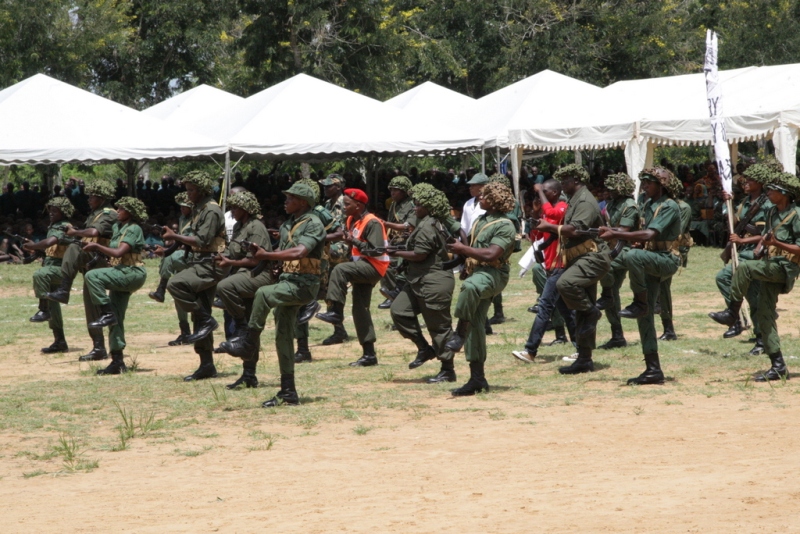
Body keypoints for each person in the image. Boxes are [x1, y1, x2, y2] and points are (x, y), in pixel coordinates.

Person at [220, 183, 325, 407]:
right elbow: (286, 252)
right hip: (288, 282)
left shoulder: (313, 223)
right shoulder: (289, 224)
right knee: (283, 337)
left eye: (290, 198)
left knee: (263, 293)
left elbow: (300, 252)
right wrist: (268, 255)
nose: (285, 201)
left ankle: (248, 342)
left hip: (305, 284)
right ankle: (288, 392)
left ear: (304, 202)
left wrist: (268, 254)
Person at [709, 172, 800, 382]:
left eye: (772, 190)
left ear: (785, 193)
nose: (768, 193)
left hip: (785, 267)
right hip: (770, 265)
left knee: (745, 267)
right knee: (765, 314)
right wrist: (746, 242)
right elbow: (767, 236)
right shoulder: (771, 213)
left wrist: (776, 244)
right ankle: (778, 366)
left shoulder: (796, 214)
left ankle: (732, 312)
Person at [599, 167, 682, 385]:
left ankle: (640, 301)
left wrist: (616, 234)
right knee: (645, 319)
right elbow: (643, 235)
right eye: (643, 181)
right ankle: (653, 369)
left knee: (632, 256)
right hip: (651, 256)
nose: (644, 185)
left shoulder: (669, 206)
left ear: (662, 185)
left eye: (649, 182)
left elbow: (650, 234)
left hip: (667, 258)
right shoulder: (646, 204)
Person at [533, 164, 611, 375]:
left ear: (576, 180)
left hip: (592, 256)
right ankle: (585, 358)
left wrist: (548, 226)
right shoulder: (574, 200)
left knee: (565, 284)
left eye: (565, 181)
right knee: (580, 314)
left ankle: (592, 312)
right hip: (579, 257)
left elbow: (575, 229)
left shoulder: (585, 200)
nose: (562, 184)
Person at [445, 182, 516, 395]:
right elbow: (473, 251)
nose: (480, 198)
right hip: (478, 272)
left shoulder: (505, 225)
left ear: (494, 201)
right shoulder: (481, 220)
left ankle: (459, 332)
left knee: (469, 287)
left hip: (494, 274)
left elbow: (491, 254)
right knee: (477, 325)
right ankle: (477, 379)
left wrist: (463, 248)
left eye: (484, 196)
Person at [163, 171, 229, 381]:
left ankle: (207, 320)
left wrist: (174, 235)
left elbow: (202, 239)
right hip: (200, 262)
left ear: (202, 191)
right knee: (199, 315)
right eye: (187, 189)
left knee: (175, 284)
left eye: (191, 190)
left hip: (210, 263)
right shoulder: (199, 210)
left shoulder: (210, 210)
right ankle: (206, 364)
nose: (188, 194)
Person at [390, 183, 459, 383]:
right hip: (418, 280)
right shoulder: (424, 222)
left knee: (439, 328)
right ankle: (424, 349)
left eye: (418, 204)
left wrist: (395, 253)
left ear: (429, 206)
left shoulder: (429, 224)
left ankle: (447, 369)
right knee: (399, 311)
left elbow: (420, 254)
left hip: (433, 282)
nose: (414, 207)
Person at [45, 179, 118, 362]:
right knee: (90, 305)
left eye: (92, 196)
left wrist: (75, 233)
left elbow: (94, 233)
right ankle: (98, 348)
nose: (88, 199)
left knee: (75, 247)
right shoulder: (95, 213)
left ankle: (64, 288)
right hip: (91, 261)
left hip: (103, 260)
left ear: (101, 198)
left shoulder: (109, 213)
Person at [316, 188, 389, 366]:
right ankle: (369, 354)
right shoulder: (351, 220)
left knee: (340, 270)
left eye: (347, 204)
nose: (343, 207)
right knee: (360, 309)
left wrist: (353, 241)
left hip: (374, 266)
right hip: (361, 265)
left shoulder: (373, 222)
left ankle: (335, 312)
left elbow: (378, 250)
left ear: (359, 205)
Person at [712, 162, 777, 355]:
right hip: (742, 252)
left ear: (761, 182)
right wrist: (727, 204)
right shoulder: (745, 202)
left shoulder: (767, 204)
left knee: (729, 280)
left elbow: (768, 233)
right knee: (752, 295)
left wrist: (741, 239)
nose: (745, 182)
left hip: (756, 253)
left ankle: (747, 327)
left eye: (750, 180)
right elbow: (735, 222)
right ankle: (742, 322)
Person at [511, 179, 576, 363]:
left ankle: (530, 350)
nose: (542, 194)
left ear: (554, 192)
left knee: (545, 307)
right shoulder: (548, 212)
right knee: (566, 311)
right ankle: (581, 348)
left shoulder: (562, 207)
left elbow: (552, 213)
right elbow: (536, 235)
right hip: (550, 265)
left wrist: (539, 191)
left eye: (545, 191)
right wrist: (534, 212)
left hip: (560, 266)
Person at [214, 191, 274, 388]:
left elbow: (257, 259)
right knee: (251, 329)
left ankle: (240, 325)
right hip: (246, 274)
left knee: (225, 286)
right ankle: (249, 375)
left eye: (235, 208)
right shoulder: (240, 226)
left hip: (260, 274)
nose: (231, 211)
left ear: (246, 210)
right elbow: (232, 251)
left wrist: (230, 261)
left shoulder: (256, 227)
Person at [81, 197, 148, 375]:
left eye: (121, 209)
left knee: (92, 276)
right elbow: (114, 254)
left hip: (132, 273)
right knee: (117, 318)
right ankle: (117, 361)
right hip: (121, 270)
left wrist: (96, 246)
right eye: (117, 208)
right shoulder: (118, 227)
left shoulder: (134, 228)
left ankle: (106, 313)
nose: (117, 211)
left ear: (131, 212)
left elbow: (119, 251)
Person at [293, 178, 337, 363]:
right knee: (299, 305)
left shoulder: (320, 212)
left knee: (309, 300)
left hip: (317, 261)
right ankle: (302, 349)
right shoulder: (296, 213)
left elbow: (340, 233)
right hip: (299, 261)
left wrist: (316, 237)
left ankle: (337, 329)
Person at [596, 173, 640, 349]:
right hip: (614, 247)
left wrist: (606, 230)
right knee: (612, 292)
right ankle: (617, 335)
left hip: (627, 248)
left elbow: (624, 230)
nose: (609, 192)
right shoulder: (612, 203)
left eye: (612, 189)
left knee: (601, 264)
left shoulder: (629, 206)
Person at [25, 198, 75, 353]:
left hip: (61, 269)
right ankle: (59, 341)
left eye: (55, 211)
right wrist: (35, 252)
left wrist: (33, 245)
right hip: (52, 266)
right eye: (50, 210)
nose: (51, 214)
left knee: (40, 274)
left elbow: (50, 242)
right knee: (54, 304)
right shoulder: (54, 225)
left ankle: (43, 309)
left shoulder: (64, 226)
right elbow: (50, 249)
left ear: (63, 212)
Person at [148, 192, 194, 345]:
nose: (182, 208)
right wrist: (167, 249)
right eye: (180, 205)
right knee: (176, 291)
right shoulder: (182, 219)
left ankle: (161, 289)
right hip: (183, 255)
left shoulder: (197, 219)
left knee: (170, 258)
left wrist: (172, 244)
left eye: (185, 206)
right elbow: (177, 241)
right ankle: (185, 332)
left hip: (195, 256)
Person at [655, 174, 693, 342]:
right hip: (655, 250)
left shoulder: (682, 207)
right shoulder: (658, 205)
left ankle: (668, 329)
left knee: (663, 289)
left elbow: (677, 231)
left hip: (671, 251)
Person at [486, 173, 524, 325]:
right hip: (501, 241)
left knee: (495, 272)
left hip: (503, 242)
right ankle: (497, 311)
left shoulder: (509, 202)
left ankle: (497, 311)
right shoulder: (510, 201)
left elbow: (512, 219)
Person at [318, 174, 350, 345]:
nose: (325, 188)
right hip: (330, 247)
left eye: (328, 186)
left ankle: (338, 328)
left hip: (342, 248)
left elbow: (345, 232)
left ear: (338, 187)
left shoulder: (346, 203)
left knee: (334, 288)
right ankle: (338, 329)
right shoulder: (327, 205)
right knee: (330, 289)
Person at [377, 176, 416, 308]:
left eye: (396, 190)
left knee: (400, 270)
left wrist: (386, 224)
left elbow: (408, 225)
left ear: (405, 191)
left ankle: (398, 295)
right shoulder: (394, 204)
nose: (392, 193)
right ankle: (390, 293)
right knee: (385, 265)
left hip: (406, 242)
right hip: (394, 240)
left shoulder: (412, 204)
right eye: (391, 190)